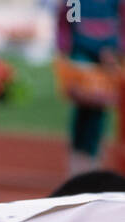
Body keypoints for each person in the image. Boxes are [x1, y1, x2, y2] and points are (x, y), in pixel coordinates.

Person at [55, 0, 122, 174]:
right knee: (84, 107)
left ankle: (91, 156)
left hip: (106, 60)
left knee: (99, 109)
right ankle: (79, 158)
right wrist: (66, 52)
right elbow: (70, 28)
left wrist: (114, 51)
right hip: (82, 58)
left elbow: (120, 26)